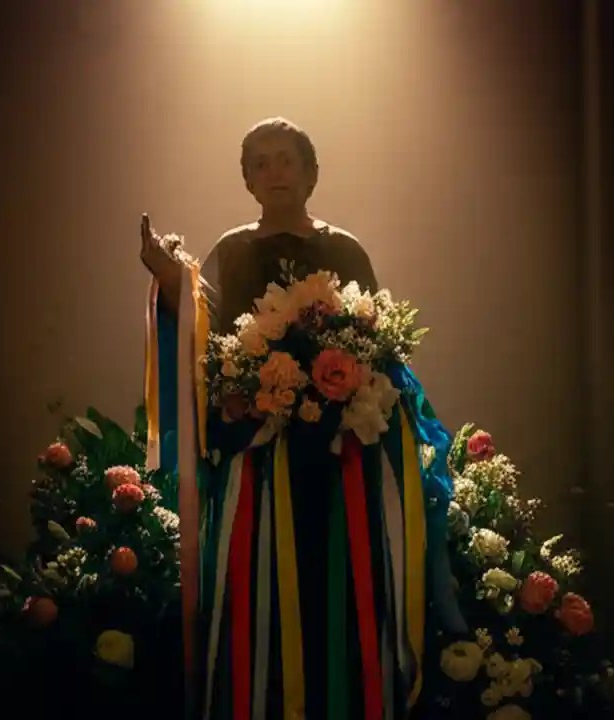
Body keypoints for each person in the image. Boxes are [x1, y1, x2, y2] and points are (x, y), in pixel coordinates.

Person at [139, 117, 464, 720]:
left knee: (342, 604)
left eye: (286, 159)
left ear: (312, 172)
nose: (274, 172)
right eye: (259, 163)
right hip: (259, 465)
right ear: (246, 180)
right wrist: (169, 283)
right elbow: (202, 344)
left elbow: (380, 351)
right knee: (261, 611)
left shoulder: (346, 249)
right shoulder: (230, 251)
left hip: (343, 465)